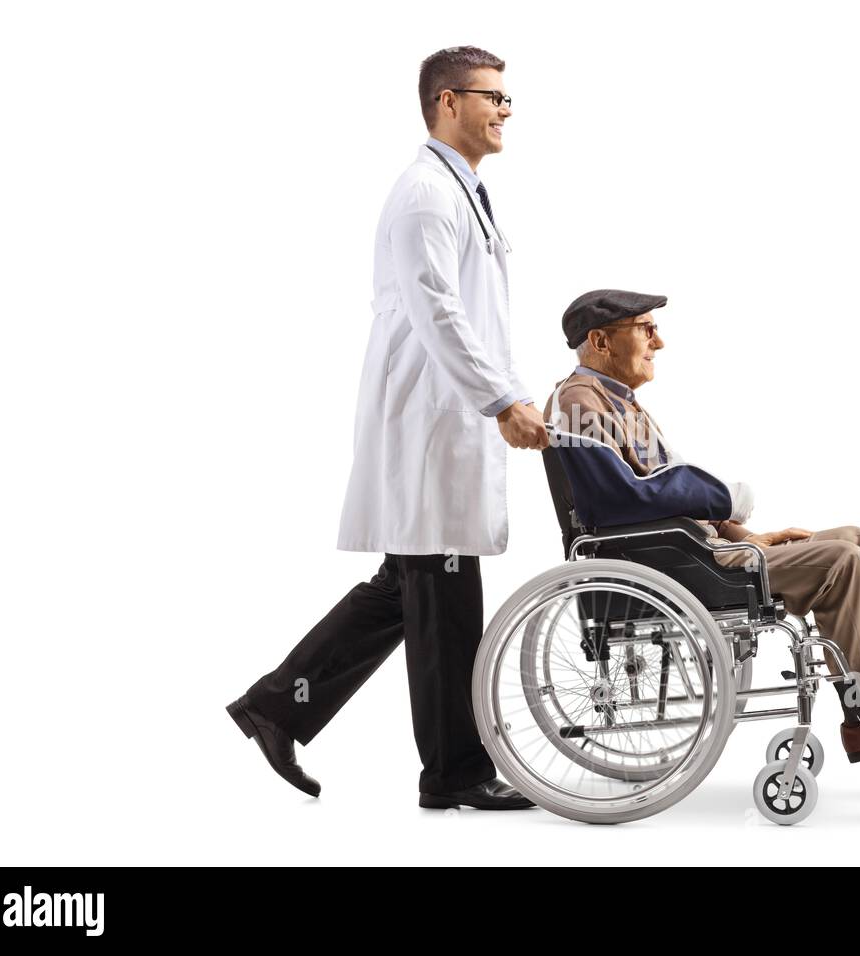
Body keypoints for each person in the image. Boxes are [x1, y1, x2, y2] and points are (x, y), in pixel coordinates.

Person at [226, 46, 548, 809]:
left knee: (410, 589)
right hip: (432, 421)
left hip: (444, 418)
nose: (505, 110)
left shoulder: (460, 190)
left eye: (508, 98)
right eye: (492, 96)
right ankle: (455, 773)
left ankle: (279, 705)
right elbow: (441, 312)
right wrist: (502, 399)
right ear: (446, 101)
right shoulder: (425, 197)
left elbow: (471, 312)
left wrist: (506, 391)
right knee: (439, 596)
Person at [544, 289, 860, 763]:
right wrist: (724, 498)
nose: (658, 342)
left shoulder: (618, 402)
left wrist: (748, 538)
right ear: (601, 341)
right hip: (668, 564)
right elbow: (617, 503)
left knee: (855, 539)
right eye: (646, 329)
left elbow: (662, 500)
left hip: (689, 550)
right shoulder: (581, 400)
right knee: (840, 561)